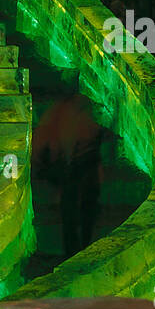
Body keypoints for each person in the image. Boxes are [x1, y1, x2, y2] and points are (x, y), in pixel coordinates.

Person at [32, 85, 103, 258]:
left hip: (79, 167)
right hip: (77, 167)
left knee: (78, 211)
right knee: (78, 211)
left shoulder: (63, 111)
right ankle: (78, 250)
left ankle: (77, 250)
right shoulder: (66, 110)